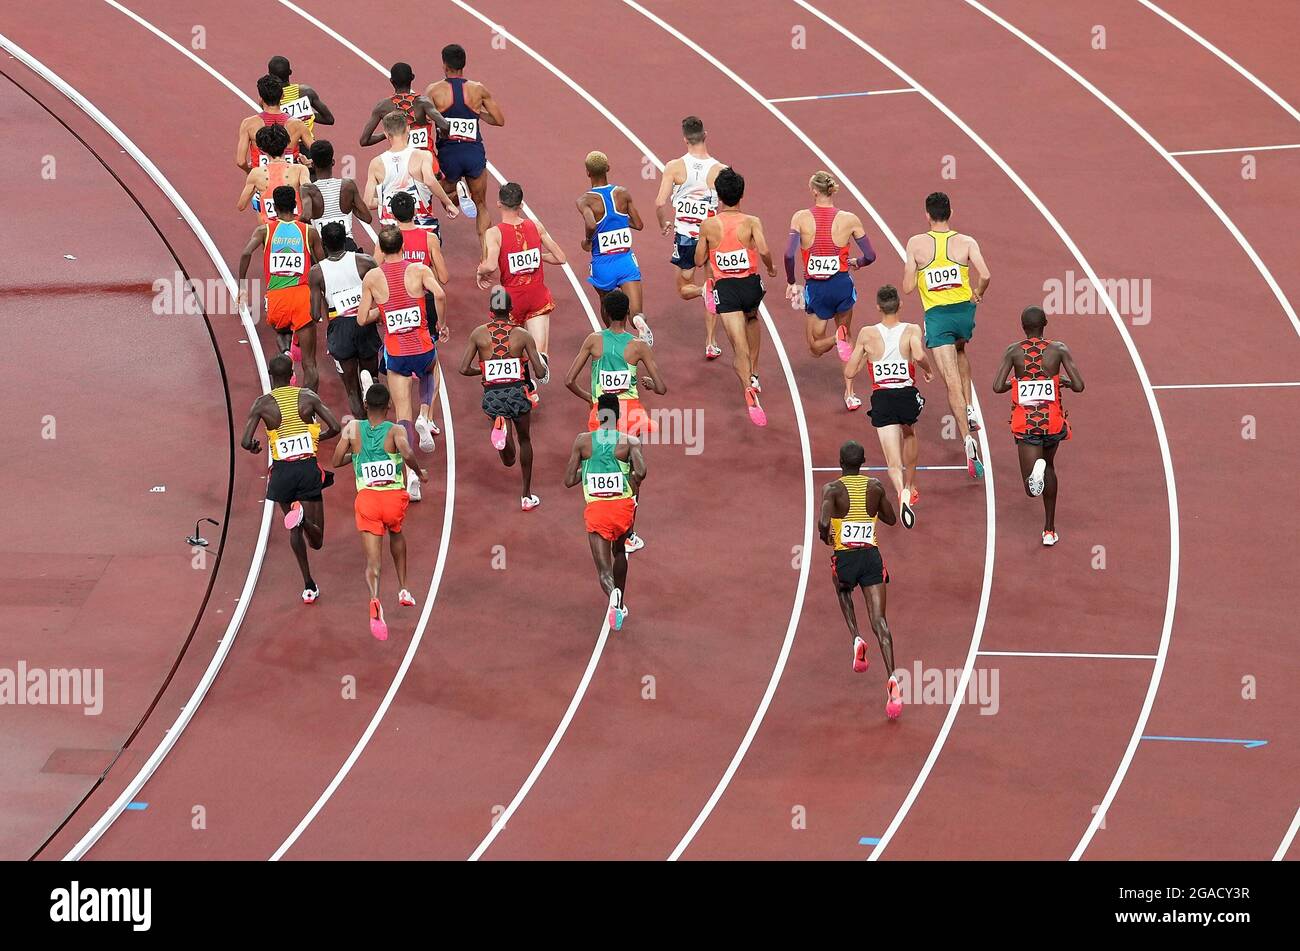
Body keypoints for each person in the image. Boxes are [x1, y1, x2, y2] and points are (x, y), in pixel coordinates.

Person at [564, 290, 665, 554]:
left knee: (602, 459)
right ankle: (628, 532)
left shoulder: (593, 341)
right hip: (631, 413)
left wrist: (591, 399)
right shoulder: (639, 346)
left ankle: (601, 516)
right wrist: (651, 385)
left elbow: (568, 380)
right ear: (628, 314)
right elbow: (663, 387)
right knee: (633, 468)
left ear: (606, 313)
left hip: (602, 412)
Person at [903, 191, 991, 479]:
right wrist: (977, 292)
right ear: (950, 212)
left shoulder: (916, 243)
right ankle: (970, 407)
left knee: (950, 380)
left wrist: (919, 271)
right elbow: (986, 275)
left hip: (938, 317)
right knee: (961, 350)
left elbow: (906, 288)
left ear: (927, 215)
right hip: (964, 312)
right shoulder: (966, 242)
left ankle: (967, 437)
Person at [241, 353, 341, 604]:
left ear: (272, 377)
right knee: (316, 540)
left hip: (282, 472)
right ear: (292, 375)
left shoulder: (262, 404)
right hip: (307, 468)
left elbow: (245, 441)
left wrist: (254, 447)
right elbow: (336, 427)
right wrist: (315, 439)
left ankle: (308, 584)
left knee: (292, 526)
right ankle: (305, 519)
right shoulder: (308, 397)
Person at [331, 382, 428, 641]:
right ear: (388, 407)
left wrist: (355, 456)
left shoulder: (352, 428)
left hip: (367, 501)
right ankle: (404, 588)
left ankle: (375, 598)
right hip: (393, 499)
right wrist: (419, 472)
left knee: (372, 563)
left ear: (365, 406)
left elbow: (335, 460)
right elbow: (407, 452)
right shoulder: (395, 430)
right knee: (396, 532)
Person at [357, 225, 447, 502]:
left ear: (381, 252)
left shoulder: (372, 277)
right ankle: (426, 414)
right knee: (433, 370)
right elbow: (441, 294)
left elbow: (362, 319)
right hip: (421, 346)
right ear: (403, 247)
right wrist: (441, 325)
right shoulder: (419, 270)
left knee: (400, 415)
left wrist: (383, 311)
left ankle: (412, 481)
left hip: (396, 353)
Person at [819, 440, 904, 720]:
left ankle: (855, 636)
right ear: (863, 462)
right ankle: (892, 679)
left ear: (840, 463)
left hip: (846, 559)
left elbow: (822, 524)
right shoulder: (875, 487)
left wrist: (827, 536)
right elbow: (891, 519)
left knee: (842, 589)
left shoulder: (831, 490)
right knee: (880, 621)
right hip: (871, 558)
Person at [992, 306, 1085, 546]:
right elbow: (1079, 385)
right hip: (1052, 421)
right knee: (1050, 467)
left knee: (1030, 489)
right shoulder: (1059, 349)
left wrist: (1019, 381)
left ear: (1023, 327)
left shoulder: (1013, 351)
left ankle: (1036, 474)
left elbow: (997, 386)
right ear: (1045, 323)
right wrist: (1059, 380)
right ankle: (1049, 530)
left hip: (1026, 423)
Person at [785, 171, 877, 411]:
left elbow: (788, 254)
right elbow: (870, 256)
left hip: (817, 289)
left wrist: (791, 281)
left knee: (815, 346)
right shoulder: (850, 219)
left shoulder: (800, 218)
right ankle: (850, 393)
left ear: (814, 191)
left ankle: (835, 341)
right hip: (842, 286)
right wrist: (858, 263)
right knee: (846, 336)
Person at [845, 285, 933, 529]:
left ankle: (899, 491)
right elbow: (919, 354)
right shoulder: (911, 329)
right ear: (900, 305)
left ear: (877, 307)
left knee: (893, 462)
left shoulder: (867, 334)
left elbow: (850, 371)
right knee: (910, 433)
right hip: (906, 395)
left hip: (882, 398)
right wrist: (928, 370)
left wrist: (865, 357)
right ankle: (910, 486)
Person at [695, 167, 775, 426]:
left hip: (726, 289)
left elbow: (698, 261)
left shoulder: (709, 224)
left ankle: (747, 389)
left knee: (737, 346)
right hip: (751, 285)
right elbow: (763, 249)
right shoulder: (752, 221)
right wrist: (772, 268)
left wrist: (708, 249)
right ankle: (755, 374)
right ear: (742, 194)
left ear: (719, 196)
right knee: (752, 319)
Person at [459, 288, 548, 510]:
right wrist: (538, 364)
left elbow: (463, 369)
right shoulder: (522, 335)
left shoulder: (478, 334)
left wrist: (485, 372)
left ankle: (501, 431)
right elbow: (539, 372)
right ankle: (526, 495)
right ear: (511, 310)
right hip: (516, 392)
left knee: (508, 459)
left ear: (490, 310)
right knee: (525, 440)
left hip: (492, 394)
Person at [564, 394, 647, 631]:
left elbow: (569, 480)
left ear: (599, 416)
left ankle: (613, 595)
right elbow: (641, 473)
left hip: (597, 511)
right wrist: (628, 474)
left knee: (603, 570)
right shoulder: (630, 441)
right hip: (622, 509)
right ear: (618, 416)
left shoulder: (582, 441)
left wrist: (588, 470)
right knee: (619, 551)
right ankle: (620, 598)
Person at [375, 191, 451, 449]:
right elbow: (444, 277)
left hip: (394, 305)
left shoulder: (385, 240)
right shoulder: (428, 238)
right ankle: (426, 416)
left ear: (392, 214)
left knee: (401, 371)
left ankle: (411, 425)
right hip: (424, 304)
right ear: (417, 209)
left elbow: (377, 271)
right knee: (431, 362)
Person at [476, 182, 566, 400]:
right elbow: (561, 257)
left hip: (512, 300)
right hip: (537, 296)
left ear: (498, 204)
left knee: (511, 350)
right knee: (537, 348)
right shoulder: (536, 226)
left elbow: (490, 265)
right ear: (522, 204)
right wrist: (538, 256)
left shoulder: (494, 233)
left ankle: (525, 383)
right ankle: (540, 360)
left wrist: (480, 271)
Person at [237, 185, 326, 390]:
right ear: (296, 206)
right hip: (303, 296)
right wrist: (323, 295)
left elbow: (245, 254)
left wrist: (242, 286)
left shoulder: (264, 230)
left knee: (282, 329)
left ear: (274, 207)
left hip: (277, 298)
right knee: (310, 363)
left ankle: (286, 351)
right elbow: (323, 266)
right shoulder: (308, 231)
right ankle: (309, 411)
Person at [654, 116, 725, 358]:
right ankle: (710, 342)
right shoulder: (721, 170)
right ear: (706, 135)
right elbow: (729, 205)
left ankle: (702, 292)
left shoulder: (674, 167)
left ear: (684, 139)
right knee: (711, 284)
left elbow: (659, 203)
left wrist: (663, 222)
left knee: (685, 289)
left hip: (685, 237)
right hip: (712, 235)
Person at [425, 43, 505, 242]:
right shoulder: (478, 89)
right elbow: (499, 120)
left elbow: (423, 119)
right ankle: (486, 255)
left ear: (444, 65)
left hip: (448, 153)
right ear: (464, 64)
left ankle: (457, 193)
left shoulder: (434, 90)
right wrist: (476, 115)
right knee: (481, 206)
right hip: (473, 152)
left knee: (446, 199)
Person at [579, 151, 653, 344]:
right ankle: (638, 321)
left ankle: (614, 340)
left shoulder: (585, 200)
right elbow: (638, 224)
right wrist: (618, 221)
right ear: (608, 168)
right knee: (636, 311)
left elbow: (591, 224)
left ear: (587, 173)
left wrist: (587, 240)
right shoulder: (622, 193)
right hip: (625, 260)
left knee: (606, 303)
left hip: (603, 264)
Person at [310, 221, 379, 419]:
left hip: (339, 328)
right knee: (371, 376)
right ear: (346, 240)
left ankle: (364, 429)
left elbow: (315, 315)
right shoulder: (364, 261)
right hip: (364, 322)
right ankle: (372, 389)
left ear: (324, 244)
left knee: (351, 389)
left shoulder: (316, 272)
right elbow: (382, 291)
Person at [364, 111, 458, 237]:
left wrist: (391, 200)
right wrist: (448, 203)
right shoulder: (423, 156)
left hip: (392, 233)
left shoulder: (376, 163)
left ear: (386, 134)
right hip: (423, 227)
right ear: (408, 129)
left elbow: (368, 202)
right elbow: (430, 181)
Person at [360, 62, 449, 154]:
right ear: (412, 77)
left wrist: (387, 133)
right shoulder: (424, 103)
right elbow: (445, 125)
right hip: (426, 158)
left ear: (391, 81)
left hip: (401, 162)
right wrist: (443, 135)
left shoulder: (382, 106)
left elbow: (364, 141)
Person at [302, 140, 371, 253]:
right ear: (333, 162)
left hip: (322, 247)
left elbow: (306, 217)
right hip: (347, 245)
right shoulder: (348, 186)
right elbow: (367, 218)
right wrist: (350, 205)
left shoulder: (308, 189)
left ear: (313, 165)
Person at [236, 124, 313, 226]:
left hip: (270, 230)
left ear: (262, 149)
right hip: (297, 227)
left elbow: (241, 205)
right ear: (286, 145)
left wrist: (259, 193)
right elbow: (310, 194)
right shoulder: (300, 169)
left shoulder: (256, 174)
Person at [235, 74, 312, 172]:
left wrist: (250, 171)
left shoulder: (248, 124)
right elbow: (319, 154)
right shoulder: (298, 124)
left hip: (262, 181)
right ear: (282, 96)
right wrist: (309, 163)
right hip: (289, 181)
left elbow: (241, 161)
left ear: (260, 98)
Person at [267, 55, 334, 134]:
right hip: (309, 144)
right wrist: (304, 113)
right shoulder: (306, 92)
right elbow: (329, 119)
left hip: (287, 145)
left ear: (270, 75)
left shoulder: (269, 98)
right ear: (290, 72)